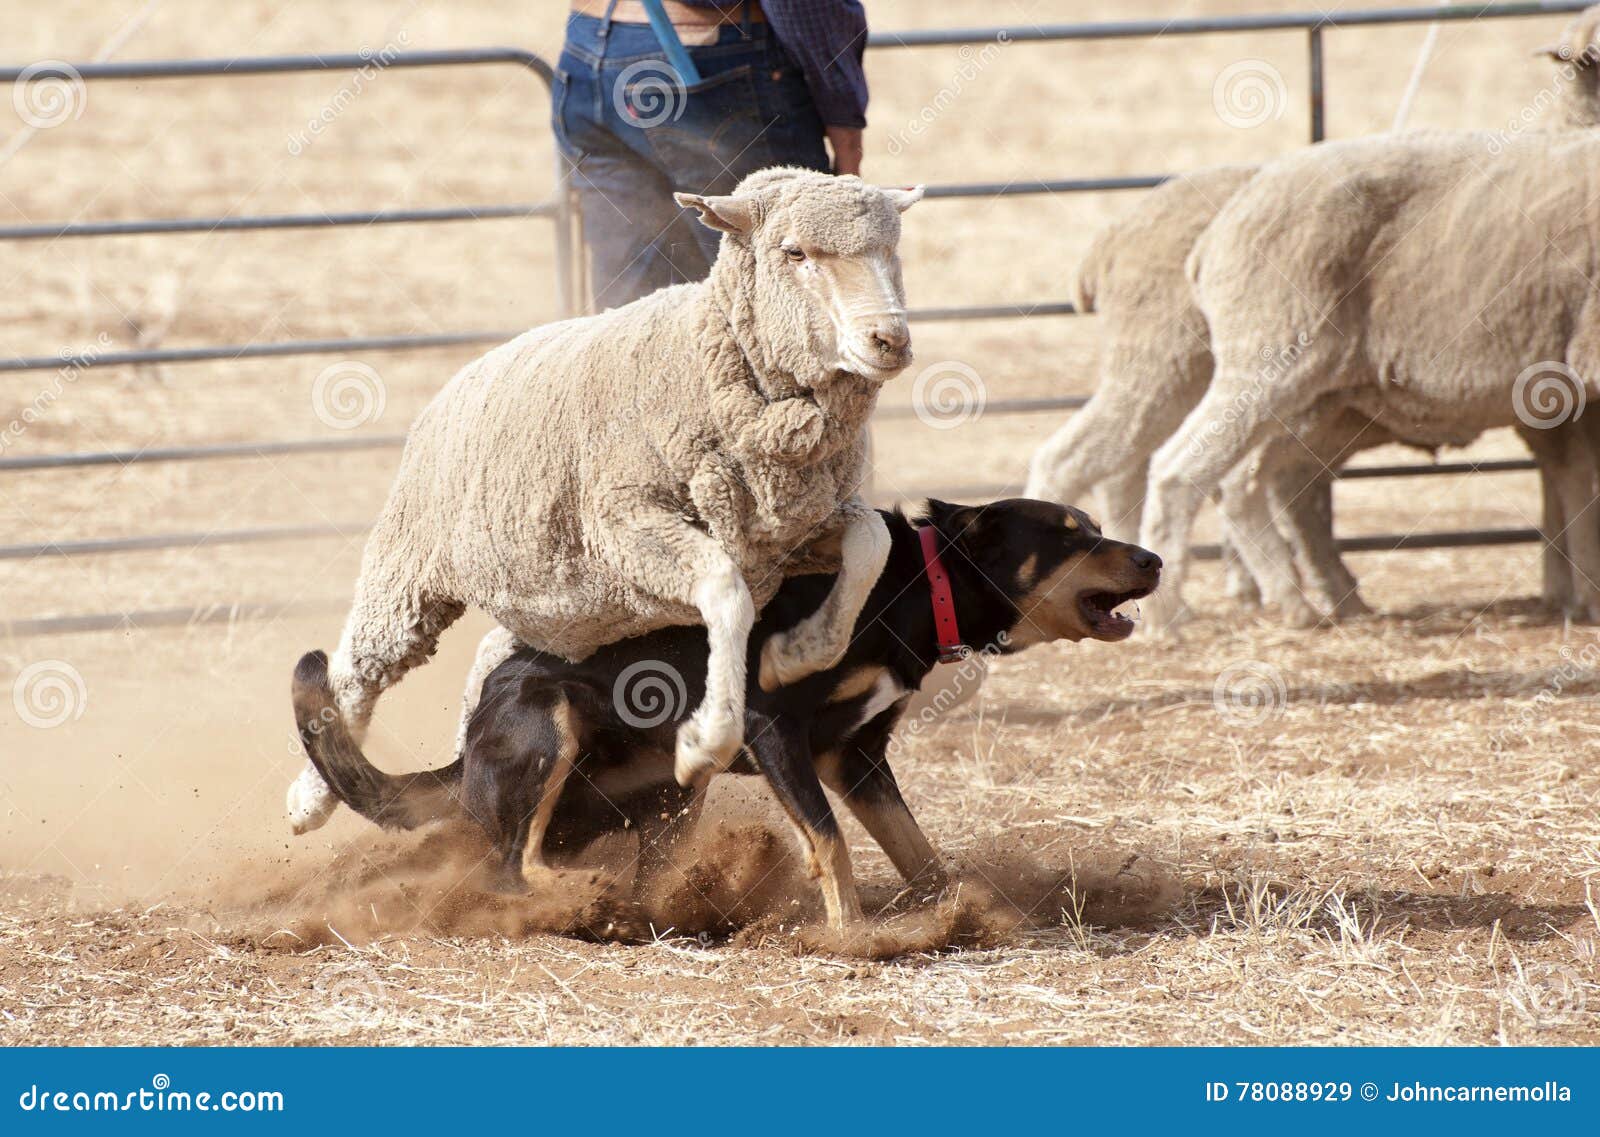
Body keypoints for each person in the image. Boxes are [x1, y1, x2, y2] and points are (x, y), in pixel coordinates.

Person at [556, 1, 869, 308]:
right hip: (706, 54)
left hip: (588, 48)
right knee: (787, 306)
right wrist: (844, 121)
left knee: (634, 308)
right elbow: (803, 10)